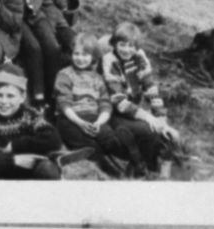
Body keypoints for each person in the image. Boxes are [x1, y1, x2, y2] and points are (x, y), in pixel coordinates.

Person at [100, 21, 181, 178]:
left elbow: (151, 89)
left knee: (167, 136)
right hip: (113, 113)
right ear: (115, 44)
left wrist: (161, 119)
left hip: (132, 111)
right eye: (122, 44)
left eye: (131, 45)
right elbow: (120, 103)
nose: (126, 49)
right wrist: (148, 117)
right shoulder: (109, 61)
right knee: (148, 131)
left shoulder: (139, 57)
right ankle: (138, 165)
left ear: (136, 46)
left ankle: (159, 173)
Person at [0, 64, 72, 180]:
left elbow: (53, 138)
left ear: (22, 97)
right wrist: (13, 160)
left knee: (47, 168)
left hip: (30, 176)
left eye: (10, 96)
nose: (4, 101)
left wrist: (15, 145)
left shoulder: (30, 116)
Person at [55, 33, 134, 178]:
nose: (80, 58)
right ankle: (106, 166)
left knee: (109, 139)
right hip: (69, 118)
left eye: (85, 55)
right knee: (89, 145)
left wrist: (99, 122)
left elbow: (105, 104)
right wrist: (80, 122)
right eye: (76, 54)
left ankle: (134, 157)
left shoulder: (98, 79)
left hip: (94, 117)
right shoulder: (64, 75)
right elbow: (63, 103)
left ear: (93, 57)